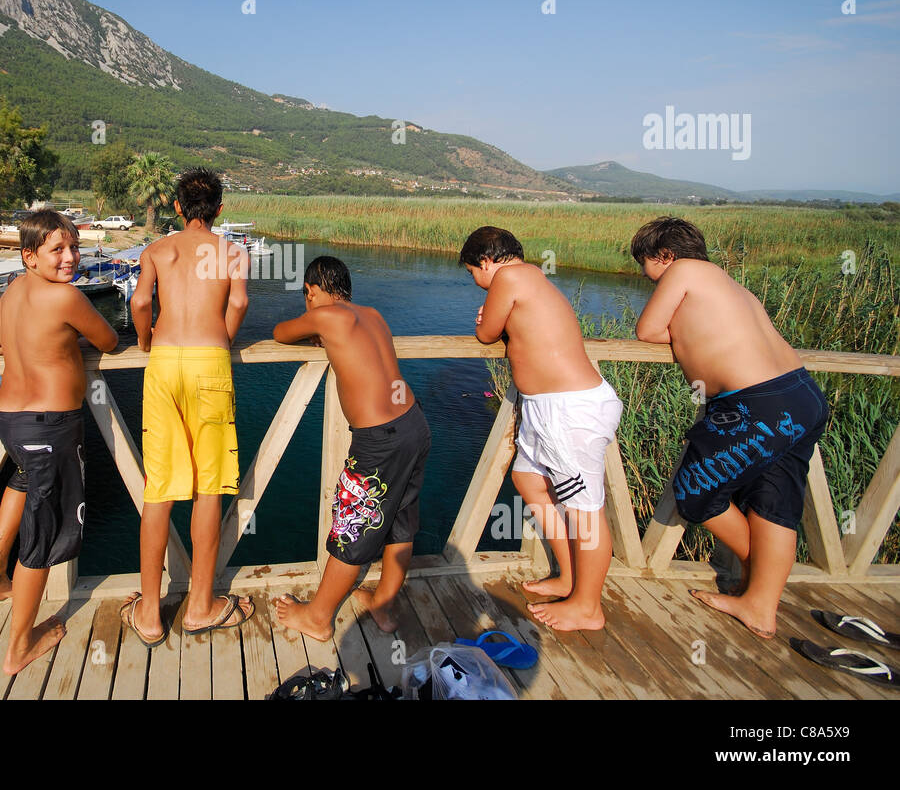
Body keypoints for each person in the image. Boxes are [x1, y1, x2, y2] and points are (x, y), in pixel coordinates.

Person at [632, 217, 828, 639]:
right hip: (801, 396)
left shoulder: (683, 270)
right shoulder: (729, 285)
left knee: (695, 491)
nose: (647, 277)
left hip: (755, 405)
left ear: (663, 255)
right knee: (774, 504)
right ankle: (761, 605)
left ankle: (757, 573)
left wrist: (678, 335)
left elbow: (646, 330)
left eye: (645, 266)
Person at [462, 226, 623, 631]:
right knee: (528, 480)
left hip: (569, 411)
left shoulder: (509, 277)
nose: (477, 282)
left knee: (585, 510)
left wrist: (486, 318)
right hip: (545, 409)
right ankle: (569, 576)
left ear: (485, 261)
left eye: (472, 273)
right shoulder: (530, 276)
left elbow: (486, 333)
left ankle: (588, 606)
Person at [0, 210, 119, 674]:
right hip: (50, 426)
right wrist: (67, 342)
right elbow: (110, 339)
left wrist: (40, 343)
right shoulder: (67, 297)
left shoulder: (16, 288)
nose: (70, 257)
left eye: (74, 247)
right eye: (57, 249)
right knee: (44, 532)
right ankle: (19, 646)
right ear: (29, 255)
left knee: (22, 485)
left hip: (12, 421)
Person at [271, 256, 431, 640]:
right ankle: (383, 605)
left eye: (307, 296)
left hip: (381, 441)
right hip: (413, 423)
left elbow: (279, 332)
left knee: (351, 526)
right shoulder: (372, 313)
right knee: (400, 522)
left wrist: (314, 324)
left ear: (312, 291)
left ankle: (318, 617)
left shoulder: (326, 316)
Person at [124, 167, 251, 645]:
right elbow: (237, 304)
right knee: (208, 484)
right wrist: (222, 338)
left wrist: (144, 341)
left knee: (159, 487)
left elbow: (140, 303)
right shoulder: (233, 252)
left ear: (177, 207)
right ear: (220, 209)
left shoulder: (157, 249)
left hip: (163, 362)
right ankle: (200, 605)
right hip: (210, 363)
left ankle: (151, 614)